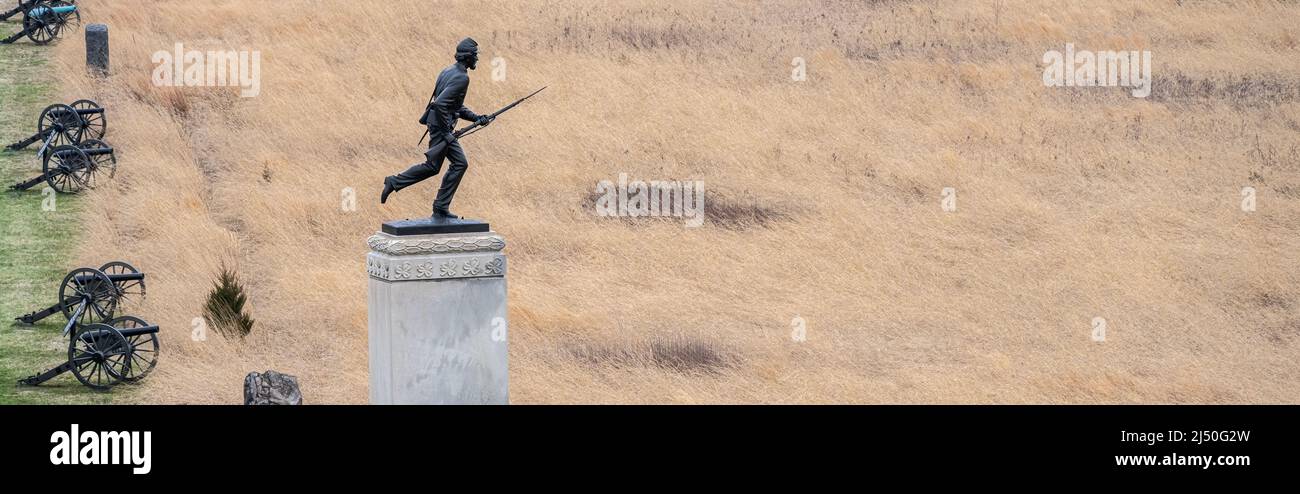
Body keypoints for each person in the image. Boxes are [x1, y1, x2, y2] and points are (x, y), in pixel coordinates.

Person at [381, 37, 492, 218]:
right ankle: (439, 206)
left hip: (437, 124)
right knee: (459, 163)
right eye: (475, 55)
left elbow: (452, 105)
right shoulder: (462, 78)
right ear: (467, 57)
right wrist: (447, 132)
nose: (477, 59)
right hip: (441, 126)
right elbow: (440, 104)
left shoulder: (448, 70)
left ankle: (395, 183)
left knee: (433, 166)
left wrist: (476, 118)